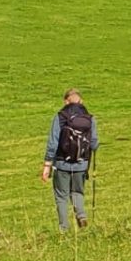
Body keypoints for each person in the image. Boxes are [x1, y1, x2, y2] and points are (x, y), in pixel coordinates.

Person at [40, 90, 98, 233]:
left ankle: (64, 229)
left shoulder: (60, 117)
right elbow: (94, 143)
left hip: (61, 163)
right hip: (81, 164)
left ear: (66, 101)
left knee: (61, 196)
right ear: (81, 101)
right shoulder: (90, 118)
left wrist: (47, 164)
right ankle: (81, 214)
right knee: (77, 192)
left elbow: (53, 142)